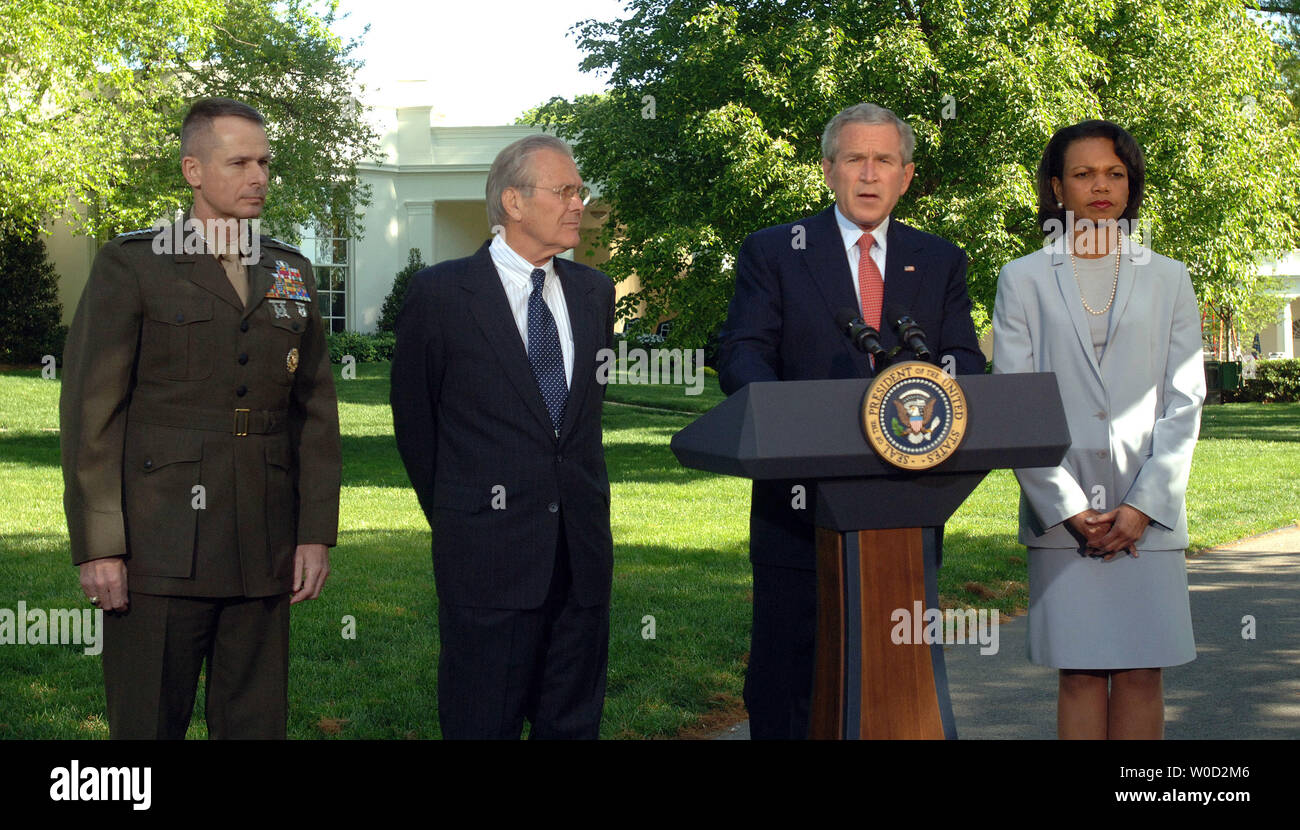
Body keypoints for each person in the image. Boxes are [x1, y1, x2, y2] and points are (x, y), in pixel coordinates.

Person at [60, 97, 342, 739]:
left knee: (255, 726)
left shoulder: (289, 270)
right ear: (193, 170)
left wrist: (314, 532)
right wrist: (101, 545)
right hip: (160, 544)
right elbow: (91, 414)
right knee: (146, 726)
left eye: (264, 163)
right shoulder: (134, 264)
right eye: (239, 162)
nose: (258, 177)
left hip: (263, 540)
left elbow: (315, 412)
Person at [715, 103, 984, 739]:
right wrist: (789, 423)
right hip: (797, 507)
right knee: (789, 680)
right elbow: (743, 352)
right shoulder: (775, 250)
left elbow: (963, 360)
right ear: (828, 169)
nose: (869, 173)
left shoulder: (939, 259)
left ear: (906, 176)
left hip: (905, 507)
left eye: (884, 160)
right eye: (855, 159)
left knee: (894, 680)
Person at [390, 134, 616, 740]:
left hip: (581, 559)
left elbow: (580, 424)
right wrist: (463, 518)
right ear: (513, 202)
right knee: (481, 723)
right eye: (564, 191)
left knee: (573, 725)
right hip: (485, 561)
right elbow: (415, 426)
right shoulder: (441, 295)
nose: (579, 204)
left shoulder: (594, 293)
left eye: (580, 191)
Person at [992, 120, 1203, 739]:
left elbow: (1185, 399)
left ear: (1131, 183)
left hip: (1149, 516)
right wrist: (1067, 507)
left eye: (1114, 173)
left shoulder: (1169, 276)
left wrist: (1144, 505)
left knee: (1142, 672)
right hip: (1064, 517)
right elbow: (1016, 404)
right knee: (1080, 673)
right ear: (1057, 187)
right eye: (1083, 174)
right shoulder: (1023, 278)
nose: (1101, 186)